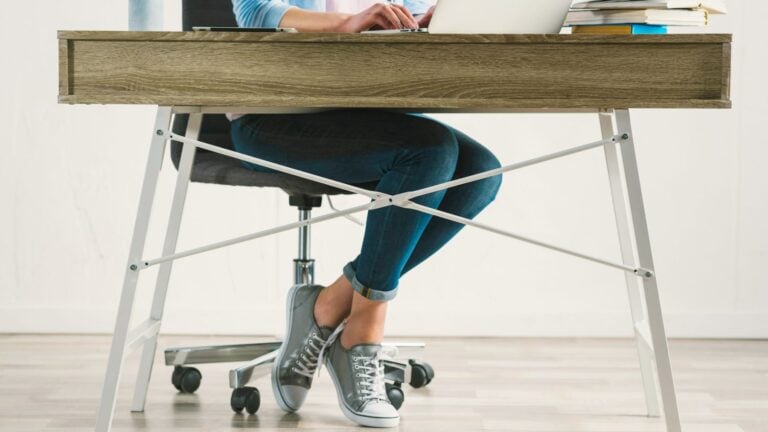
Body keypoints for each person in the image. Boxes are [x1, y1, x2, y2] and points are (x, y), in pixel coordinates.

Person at [229, 0, 503, 427]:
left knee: (479, 174)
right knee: (427, 153)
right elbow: (253, 10)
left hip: (361, 106)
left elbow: (405, 10)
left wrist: (424, 20)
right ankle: (361, 337)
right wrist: (346, 23)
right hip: (273, 112)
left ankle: (326, 307)